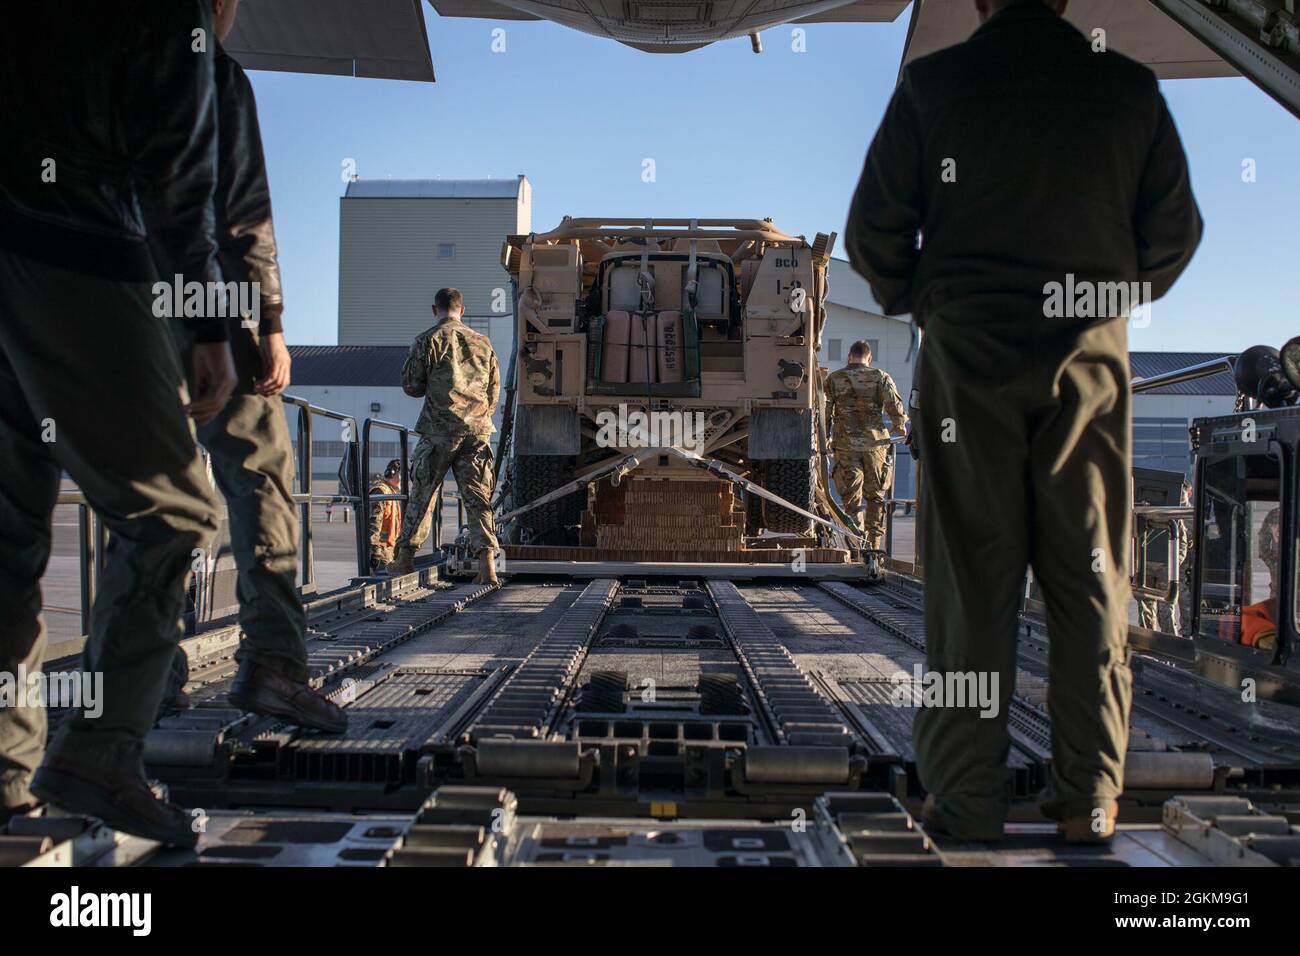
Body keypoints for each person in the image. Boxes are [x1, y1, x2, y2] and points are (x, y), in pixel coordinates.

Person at [845, 0, 1202, 843]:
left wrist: (932, 299)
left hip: (970, 363)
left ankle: (967, 798)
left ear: (977, 0)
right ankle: (1088, 800)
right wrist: (1106, 299)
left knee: (971, 581)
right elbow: (1175, 234)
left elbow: (873, 236)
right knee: (1090, 577)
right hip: (1088, 368)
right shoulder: (1129, 89)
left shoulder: (933, 86)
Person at [0, 2, 237, 843]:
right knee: (173, 514)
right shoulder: (173, 17)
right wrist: (207, 322)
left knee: (10, 538)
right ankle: (100, 751)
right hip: (78, 254)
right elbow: (178, 175)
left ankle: (5, 774)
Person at [168, 0, 347, 735]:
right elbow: (241, 211)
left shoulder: (70, 57)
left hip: (105, 302)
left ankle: (143, 681)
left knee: (152, 497)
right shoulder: (211, 68)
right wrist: (269, 322)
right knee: (259, 475)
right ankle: (273, 662)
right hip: (207, 302)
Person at [389, 289, 501, 585]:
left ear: (434, 309)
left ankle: (404, 561)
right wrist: (476, 413)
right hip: (477, 431)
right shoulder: (483, 343)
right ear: (461, 310)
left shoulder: (427, 340)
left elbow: (412, 386)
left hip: (439, 430)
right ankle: (487, 566)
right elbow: (493, 394)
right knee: (478, 497)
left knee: (423, 494)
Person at [825, 341, 908, 549]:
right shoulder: (880, 377)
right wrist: (899, 426)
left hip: (845, 447)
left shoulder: (834, 379)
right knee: (876, 497)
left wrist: (824, 439)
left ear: (849, 357)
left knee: (851, 501)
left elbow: (824, 412)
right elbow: (894, 406)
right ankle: (873, 547)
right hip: (875, 446)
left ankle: (856, 545)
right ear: (869, 358)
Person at [370, 459, 404, 570]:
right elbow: (374, 522)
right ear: (392, 473)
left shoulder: (392, 493)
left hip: (390, 550)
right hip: (381, 552)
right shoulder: (381, 492)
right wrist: (375, 550)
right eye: (401, 475)